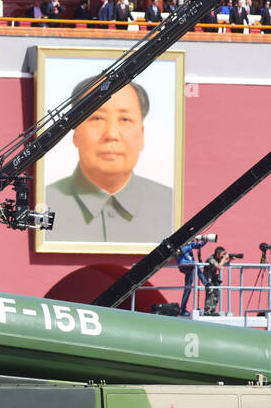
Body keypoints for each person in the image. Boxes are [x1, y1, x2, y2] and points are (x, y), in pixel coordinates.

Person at [42, 79, 174, 246]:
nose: (111, 134)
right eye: (97, 118)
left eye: (125, 119)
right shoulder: (45, 203)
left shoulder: (170, 206)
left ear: (141, 135)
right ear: (75, 134)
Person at [202, 246, 231, 315]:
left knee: (216, 293)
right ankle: (207, 311)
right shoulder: (211, 259)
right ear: (218, 253)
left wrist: (228, 259)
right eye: (222, 254)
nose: (223, 256)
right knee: (210, 293)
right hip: (208, 277)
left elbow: (224, 264)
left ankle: (213, 311)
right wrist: (224, 259)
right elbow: (219, 267)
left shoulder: (219, 258)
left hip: (214, 277)